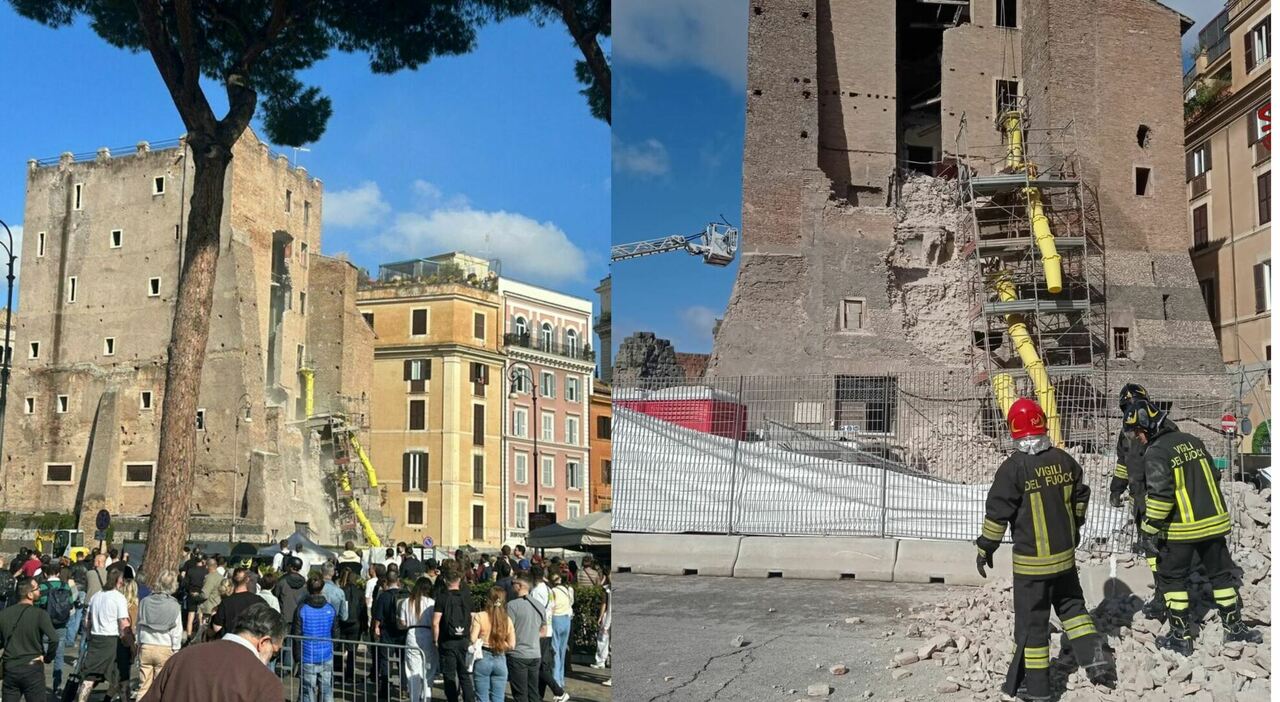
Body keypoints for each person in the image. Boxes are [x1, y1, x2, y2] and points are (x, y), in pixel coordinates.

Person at [975, 398, 1113, 702]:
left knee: (1032, 626)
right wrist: (1075, 529)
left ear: (1013, 428)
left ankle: (1037, 690)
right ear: (1042, 422)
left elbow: (997, 515)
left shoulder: (1013, 469)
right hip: (1064, 560)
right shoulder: (1065, 461)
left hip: (1032, 568)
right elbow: (1081, 498)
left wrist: (985, 548)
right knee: (1074, 611)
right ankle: (1100, 666)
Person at [1126, 398, 1265, 654]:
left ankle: (1181, 637)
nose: (1137, 438)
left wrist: (1149, 529)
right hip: (1214, 523)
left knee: (1170, 577)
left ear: (1148, 427)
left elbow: (1161, 495)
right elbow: (1214, 475)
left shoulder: (1156, 452)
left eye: (1137, 432)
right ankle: (1235, 629)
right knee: (1222, 575)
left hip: (1183, 528)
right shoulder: (1192, 440)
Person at [139, 602, 286, 701]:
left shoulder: (182, 658)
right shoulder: (266, 683)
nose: (271, 659)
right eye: (274, 654)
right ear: (264, 642)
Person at [1107, 383, 1164, 618]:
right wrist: (1116, 488)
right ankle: (1162, 589)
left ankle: (1169, 590)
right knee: (1151, 546)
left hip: (1160, 495)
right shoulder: (1126, 432)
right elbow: (1123, 463)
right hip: (1141, 498)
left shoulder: (1161, 428)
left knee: (1165, 545)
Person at [75, 569, 132, 702]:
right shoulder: (119, 598)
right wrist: (130, 644)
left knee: (89, 677)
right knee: (121, 677)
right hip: (113, 641)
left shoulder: (96, 596)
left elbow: (87, 621)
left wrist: (89, 636)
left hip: (96, 640)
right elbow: (123, 623)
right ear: (119, 581)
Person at [0, 576, 59, 701]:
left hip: (10, 667)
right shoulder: (40, 614)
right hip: (32, 667)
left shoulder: (4, 614)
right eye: (37, 589)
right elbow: (54, 639)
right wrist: (48, 658)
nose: (40, 591)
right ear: (29, 595)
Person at [136, 570, 184, 700]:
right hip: (164, 646)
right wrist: (176, 649)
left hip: (146, 645)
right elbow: (176, 630)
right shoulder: (174, 605)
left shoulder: (145, 601)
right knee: (160, 688)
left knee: (143, 686)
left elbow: (138, 625)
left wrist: (138, 643)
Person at [434, 563, 476, 702]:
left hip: (447, 641)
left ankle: (452, 699)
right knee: (464, 674)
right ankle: (469, 699)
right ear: (459, 581)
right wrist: (471, 637)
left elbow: (435, 622)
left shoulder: (442, 597)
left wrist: (435, 640)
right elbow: (474, 618)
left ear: (445, 581)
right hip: (464, 640)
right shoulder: (467, 597)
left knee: (449, 674)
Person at [293, 576, 339, 702]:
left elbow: (296, 635)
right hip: (326, 655)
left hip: (308, 655)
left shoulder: (302, 609)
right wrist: (332, 649)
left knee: (307, 691)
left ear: (308, 589)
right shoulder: (330, 609)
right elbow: (336, 633)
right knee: (326, 689)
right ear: (322, 588)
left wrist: (297, 657)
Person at [528, 565, 569, 702]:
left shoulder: (536, 592)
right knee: (543, 666)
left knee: (539, 667)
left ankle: (559, 691)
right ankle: (539, 696)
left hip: (540, 632)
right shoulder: (548, 589)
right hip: (549, 630)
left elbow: (536, 613)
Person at [471, 587, 515, 702]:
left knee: (482, 697)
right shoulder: (507, 619)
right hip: (500, 658)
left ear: (488, 599)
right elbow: (512, 645)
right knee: (498, 698)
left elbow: (472, 638)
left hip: (483, 658)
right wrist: (500, 643)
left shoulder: (480, 616)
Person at [36, 560, 75, 690]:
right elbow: (70, 604)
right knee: (59, 655)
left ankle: (39, 683)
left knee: (40, 655)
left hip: (44, 625)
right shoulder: (65, 586)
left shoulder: (42, 587)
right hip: (61, 625)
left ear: (46, 574)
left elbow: (37, 604)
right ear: (59, 573)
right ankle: (56, 684)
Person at [505, 574, 544, 702]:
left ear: (520, 586)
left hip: (517, 654)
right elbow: (544, 631)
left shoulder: (512, 605)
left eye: (513, 583)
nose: (512, 586)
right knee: (534, 692)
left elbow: (507, 630)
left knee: (520, 694)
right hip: (535, 654)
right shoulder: (539, 605)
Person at [399, 576, 437, 702]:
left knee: (412, 670)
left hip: (411, 633)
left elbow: (403, 622)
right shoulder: (431, 603)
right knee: (428, 670)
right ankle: (427, 697)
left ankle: (414, 699)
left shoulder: (407, 602)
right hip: (428, 633)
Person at [371, 569, 407, 698]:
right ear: (398, 580)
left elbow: (378, 616)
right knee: (402, 661)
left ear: (387, 581)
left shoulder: (383, 596)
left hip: (387, 632)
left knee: (385, 660)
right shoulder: (405, 595)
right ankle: (403, 688)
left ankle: (385, 689)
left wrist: (376, 629)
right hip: (403, 631)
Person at [273, 556, 308, 669]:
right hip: (301, 616)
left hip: (285, 616)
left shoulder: (282, 581)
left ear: (290, 566)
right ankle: (296, 665)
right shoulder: (304, 583)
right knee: (297, 642)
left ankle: (287, 666)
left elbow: (275, 595)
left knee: (286, 642)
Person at [211, 568, 266, 637]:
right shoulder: (259, 601)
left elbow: (217, 628)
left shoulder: (226, 602)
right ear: (247, 579)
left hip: (230, 642)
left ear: (233, 580)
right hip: (252, 643)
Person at [113, 578, 141, 701]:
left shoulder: (117, 604)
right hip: (128, 640)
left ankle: (118, 693)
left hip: (114, 640)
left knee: (117, 672)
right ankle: (124, 697)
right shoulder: (134, 607)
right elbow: (133, 628)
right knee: (125, 674)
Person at [336, 568, 365, 681]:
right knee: (352, 651)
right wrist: (364, 626)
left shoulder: (341, 591)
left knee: (339, 649)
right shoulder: (360, 593)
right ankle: (349, 675)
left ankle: (338, 673)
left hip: (343, 623)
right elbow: (363, 611)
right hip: (355, 624)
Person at [548, 572, 574, 688]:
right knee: (562, 650)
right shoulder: (568, 589)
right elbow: (571, 603)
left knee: (555, 651)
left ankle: (556, 679)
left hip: (556, 619)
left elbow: (551, 606)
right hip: (566, 619)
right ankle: (561, 678)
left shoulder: (552, 591)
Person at [591, 571, 611, 671]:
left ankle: (607, 661)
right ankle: (600, 661)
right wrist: (601, 616)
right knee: (603, 639)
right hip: (607, 617)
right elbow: (604, 603)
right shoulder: (606, 589)